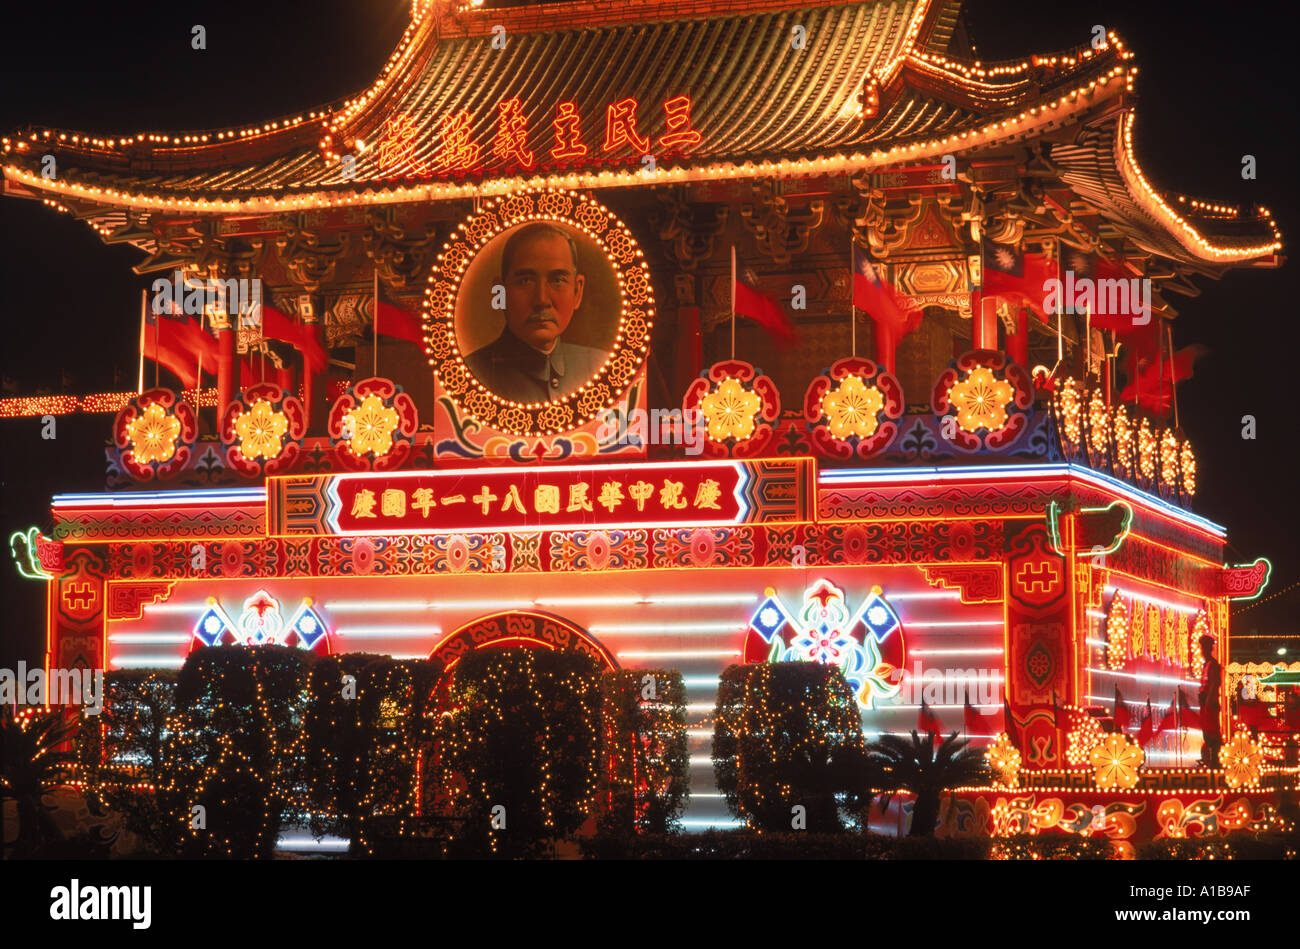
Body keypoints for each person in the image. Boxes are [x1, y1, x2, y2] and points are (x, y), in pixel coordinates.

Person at [463, 223, 609, 404]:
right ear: (499, 293)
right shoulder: (468, 373)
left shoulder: (602, 365)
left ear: (577, 292)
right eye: (526, 281)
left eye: (557, 280)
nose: (541, 300)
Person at [1198, 634, 1222, 767]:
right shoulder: (1206, 664)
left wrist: (1209, 701)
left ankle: (1215, 761)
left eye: (1203, 647)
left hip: (1209, 704)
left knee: (1212, 732)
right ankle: (1212, 760)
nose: (1201, 650)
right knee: (1207, 732)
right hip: (1204, 703)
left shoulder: (1213, 664)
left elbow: (1214, 684)